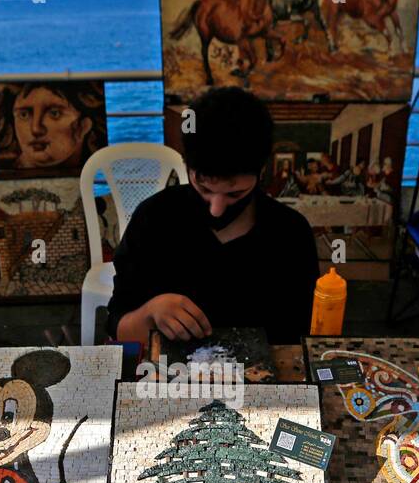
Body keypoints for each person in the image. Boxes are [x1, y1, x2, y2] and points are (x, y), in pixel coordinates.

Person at [106, 87, 319, 345]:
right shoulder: (153, 220)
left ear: (262, 171)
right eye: (204, 188)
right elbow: (119, 328)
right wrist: (150, 313)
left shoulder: (290, 234)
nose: (216, 208)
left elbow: (299, 338)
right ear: (188, 166)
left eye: (235, 194)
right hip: (170, 377)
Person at [0, 82, 105, 170]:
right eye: (24, 115)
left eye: (54, 113)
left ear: (84, 126)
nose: (35, 129)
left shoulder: (104, 173)